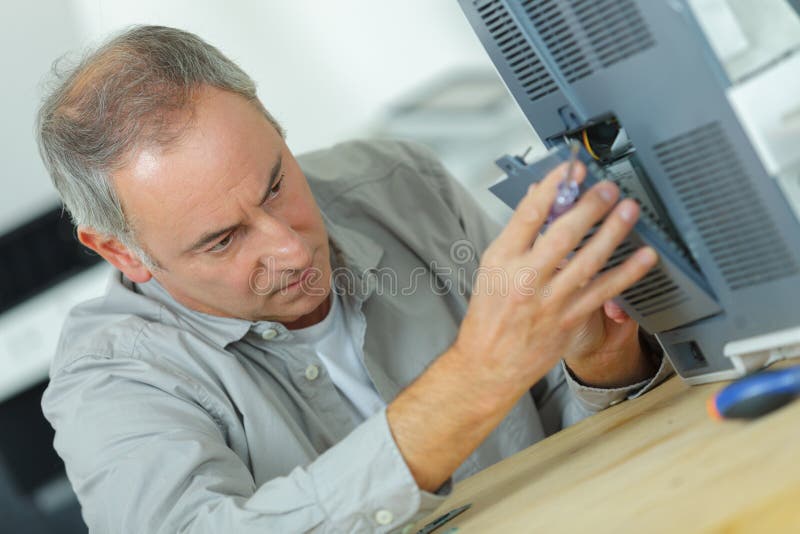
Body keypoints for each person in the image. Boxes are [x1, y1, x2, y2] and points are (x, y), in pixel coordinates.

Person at [37, 25, 672, 533]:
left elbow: (557, 425)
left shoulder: (400, 182)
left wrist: (599, 363)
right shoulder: (109, 381)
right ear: (120, 252)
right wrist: (477, 376)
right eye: (224, 239)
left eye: (277, 184)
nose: (290, 248)